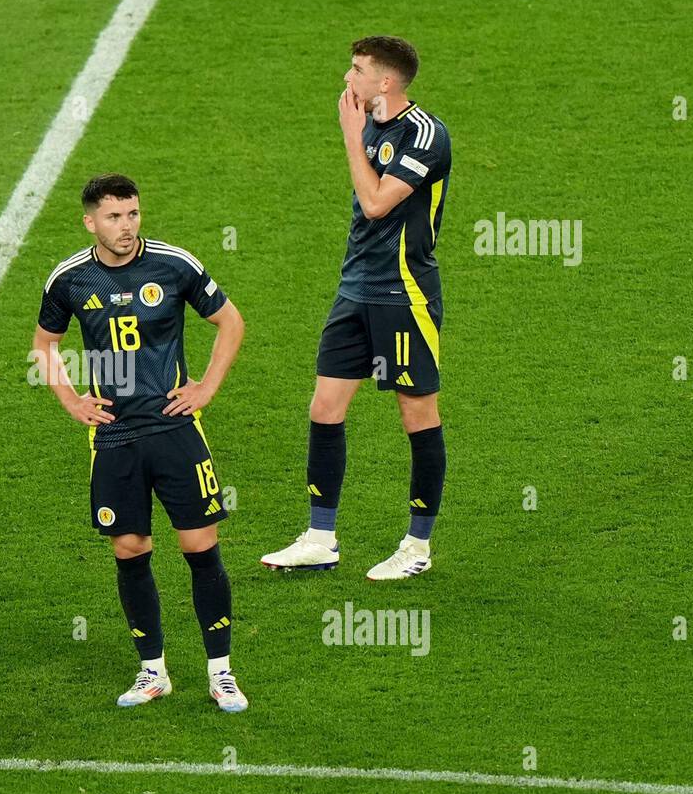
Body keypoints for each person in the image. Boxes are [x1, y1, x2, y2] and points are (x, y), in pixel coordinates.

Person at [33, 174, 248, 711]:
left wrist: (207, 386)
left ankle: (220, 671)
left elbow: (230, 322)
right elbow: (45, 344)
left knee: (201, 549)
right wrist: (72, 401)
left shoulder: (173, 265)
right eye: (113, 217)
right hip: (115, 438)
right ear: (90, 221)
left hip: (175, 430)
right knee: (131, 552)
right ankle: (152, 671)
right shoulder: (70, 280)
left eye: (132, 215)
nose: (126, 227)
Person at [262, 36, 451, 581]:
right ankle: (321, 537)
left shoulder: (425, 135)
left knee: (417, 416)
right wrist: (358, 133)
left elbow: (374, 204)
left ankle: (417, 547)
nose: (348, 79)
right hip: (355, 289)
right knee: (324, 407)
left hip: (404, 294)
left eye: (357, 70)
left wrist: (350, 136)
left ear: (386, 82)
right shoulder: (372, 124)